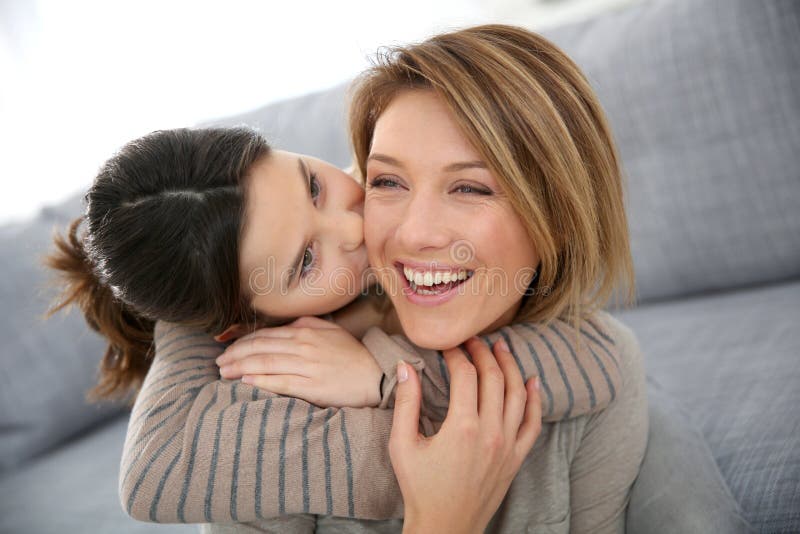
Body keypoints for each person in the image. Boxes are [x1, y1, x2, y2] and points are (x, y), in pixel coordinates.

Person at [44, 29, 630, 531]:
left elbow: (604, 356)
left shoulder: (379, 199)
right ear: (242, 323)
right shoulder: (265, 389)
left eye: (316, 185)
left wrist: (386, 376)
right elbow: (156, 468)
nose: (356, 228)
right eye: (304, 262)